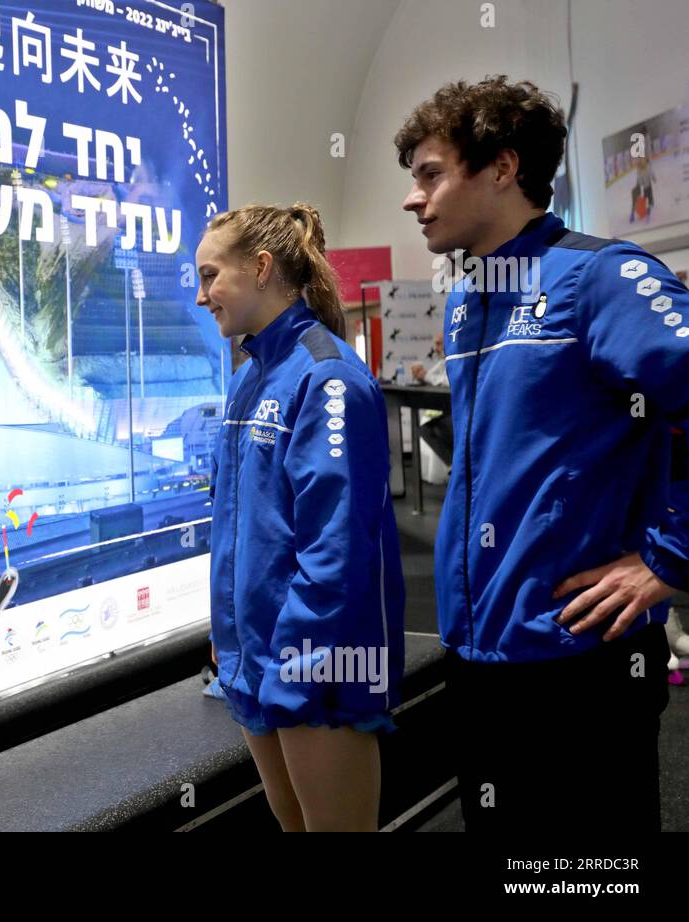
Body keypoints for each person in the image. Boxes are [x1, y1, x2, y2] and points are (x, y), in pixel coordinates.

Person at [396, 75, 687, 831]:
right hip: (482, 658)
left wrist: (669, 560)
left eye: (431, 174)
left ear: (501, 167)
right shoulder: (467, 303)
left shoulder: (601, 277)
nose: (412, 197)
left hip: (580, 664)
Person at [198, 202, 405, 831]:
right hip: (255, 662)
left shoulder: (328, 376)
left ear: (261, 268)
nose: (203, 296)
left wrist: (300, 665)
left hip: (318, 670)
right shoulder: (248, 377)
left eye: (211, 276)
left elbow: (335, 549)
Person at [409, 334, 453, 468]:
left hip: (462, 414)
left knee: (430, 428)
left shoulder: (456, 361)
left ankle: (456, 465)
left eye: (439, 344)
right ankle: (454, 465)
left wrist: (425, 376)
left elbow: (447, 381)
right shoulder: (442, 362)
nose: (436, 348)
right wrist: (420, 375)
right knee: (425, 429)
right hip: (449, 411)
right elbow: (431, 376)